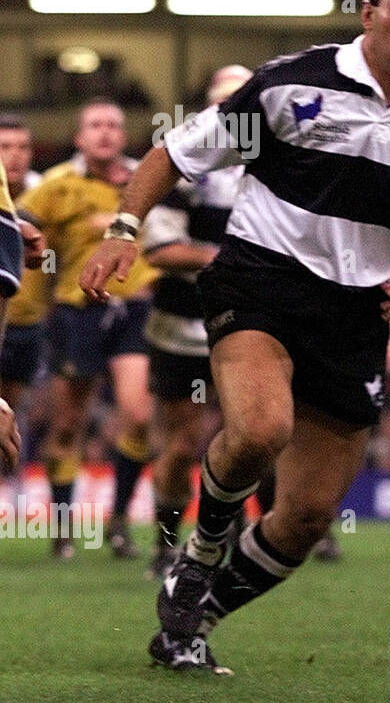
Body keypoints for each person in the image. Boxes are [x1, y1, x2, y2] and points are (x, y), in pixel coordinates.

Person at [80, 0, 390, 675]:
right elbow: (172, 153)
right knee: (262, 428)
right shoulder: (294, 85)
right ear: (369, 13)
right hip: (259, 279)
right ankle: (200, 553)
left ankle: (190, 620)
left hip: (355, 317)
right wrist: (122, 232)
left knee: (304, 519)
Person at [19, 100, 158, 560]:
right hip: (77, 311)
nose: (105, 133)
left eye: (114, 126)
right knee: (69, 423)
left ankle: (118, 521)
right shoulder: (58, 185)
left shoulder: (147, 177)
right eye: (95, 125)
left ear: (124, 135)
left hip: (135, 311)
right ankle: (62, 530)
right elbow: (18, 226)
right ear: (79, 137)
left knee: (138, 416)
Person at [138, 66, 249, 579]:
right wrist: (236, 261)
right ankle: (165, 543)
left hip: (248, 325)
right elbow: (162, 250)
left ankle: (220, 540)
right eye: (223, 101)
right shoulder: (184, 165)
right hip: (181, 327)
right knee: (181, 446)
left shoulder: (275, 164)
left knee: (247, 438)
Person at [0, 115, 49, 494]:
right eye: (4, 148)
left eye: (22, 147)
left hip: (28, 326)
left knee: (12, 415)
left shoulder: (46, 194)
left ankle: (12, 493)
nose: (14, 157)